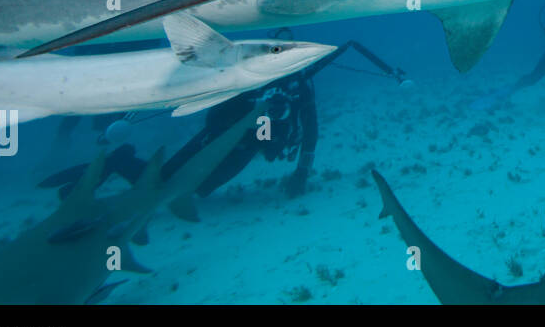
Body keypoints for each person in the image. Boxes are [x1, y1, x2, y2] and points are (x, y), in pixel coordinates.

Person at [42, 31, 360, 201]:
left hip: (247, 148)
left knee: (197, 189)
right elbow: (216, 104)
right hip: (219, 137)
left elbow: (311, 128)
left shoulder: (300, 85)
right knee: (167, 182)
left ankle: (123, 164)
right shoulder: (247, 75)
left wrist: (302, 171)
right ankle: (120, 162)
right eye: (277, 49)